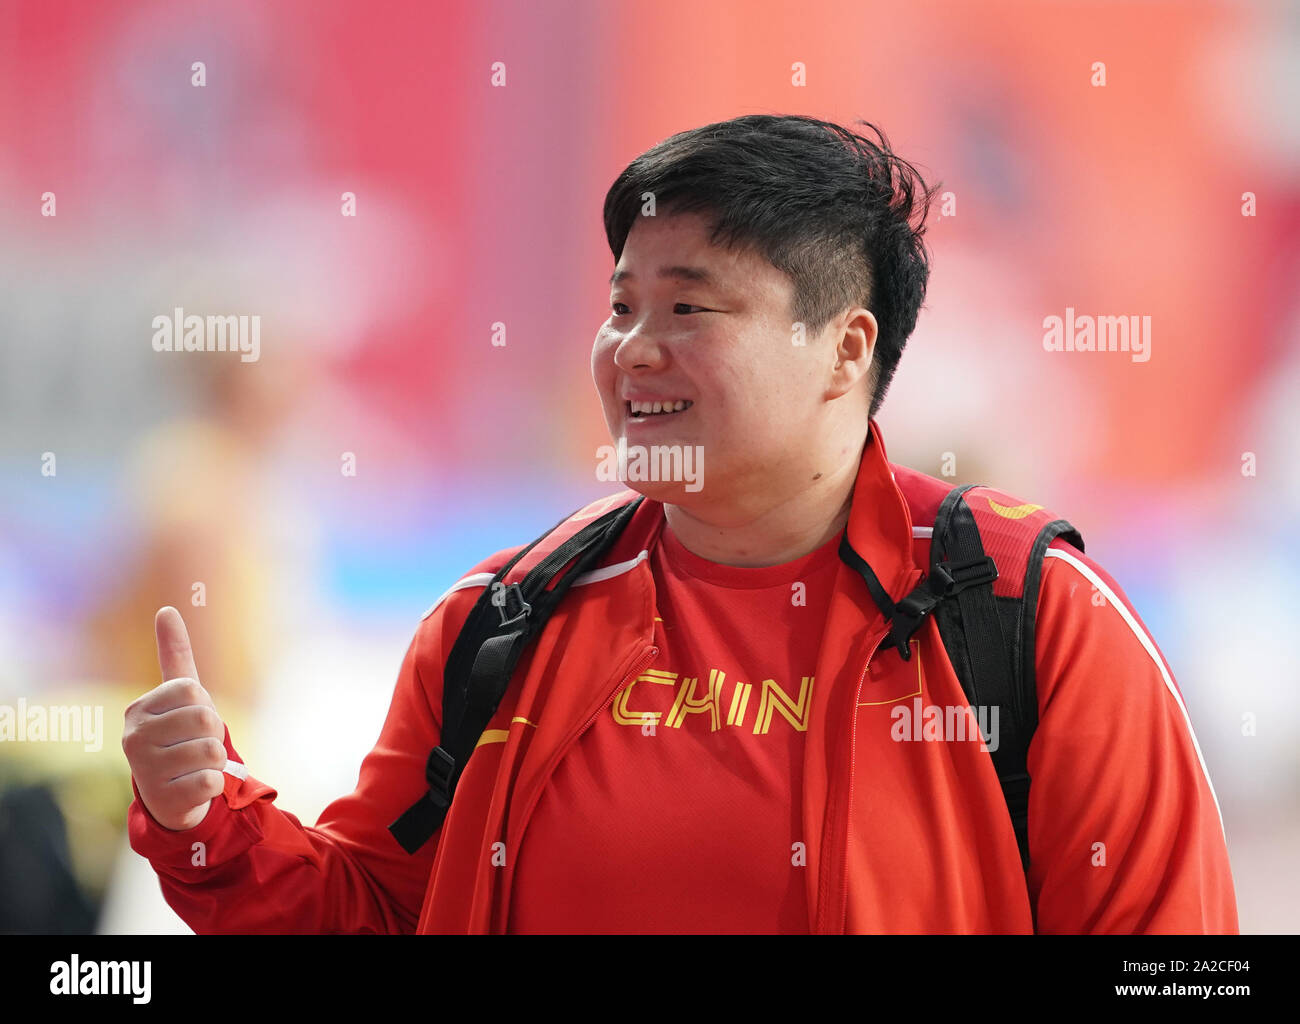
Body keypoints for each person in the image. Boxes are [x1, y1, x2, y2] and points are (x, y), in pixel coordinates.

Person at [123, 114, 1238, 934]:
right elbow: (368, 916)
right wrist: (209, 819)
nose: (631, 349)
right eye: (620, 305)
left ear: (845, 350)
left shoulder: (1029, 619)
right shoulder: (503, 622)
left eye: (689, 307)